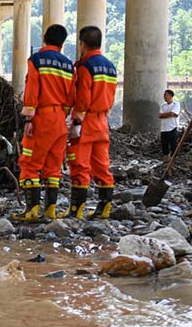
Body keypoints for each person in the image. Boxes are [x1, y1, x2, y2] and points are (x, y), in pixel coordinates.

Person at [15, 24, 75, 221]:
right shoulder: (68, 65)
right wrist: (61, 115)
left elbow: (32, 89)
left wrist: (29, 118)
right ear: (62, 43)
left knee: (30, 163)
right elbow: (71, 97)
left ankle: (32, 211)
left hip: (41, 117)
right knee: (53, 166)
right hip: (59, 120)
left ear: (44, 38)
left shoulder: (37, 60)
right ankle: (50, 211)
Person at [64, 26, 118, 220]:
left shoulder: (85, 66)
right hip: (102, 121)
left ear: (82, 43)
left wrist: (76, 123)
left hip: (86, 121)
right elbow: (110, 96)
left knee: (79, 163)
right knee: (101, 164)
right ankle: (105, 208)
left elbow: (83, 98)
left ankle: (76, 210)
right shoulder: (110, 66)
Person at [158, 90, 180, 160]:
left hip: (172, 127)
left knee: (173, 144)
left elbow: (173, 113)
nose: (164, 97)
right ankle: (166, 158)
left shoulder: (176, 104)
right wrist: (169, 114)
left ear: (171, 96)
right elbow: (160, 116)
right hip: (164, 128)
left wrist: (167, 114)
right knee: (164, 144)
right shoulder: (163, 105)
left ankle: (174, 159)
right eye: (164, 95)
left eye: (166, 95)